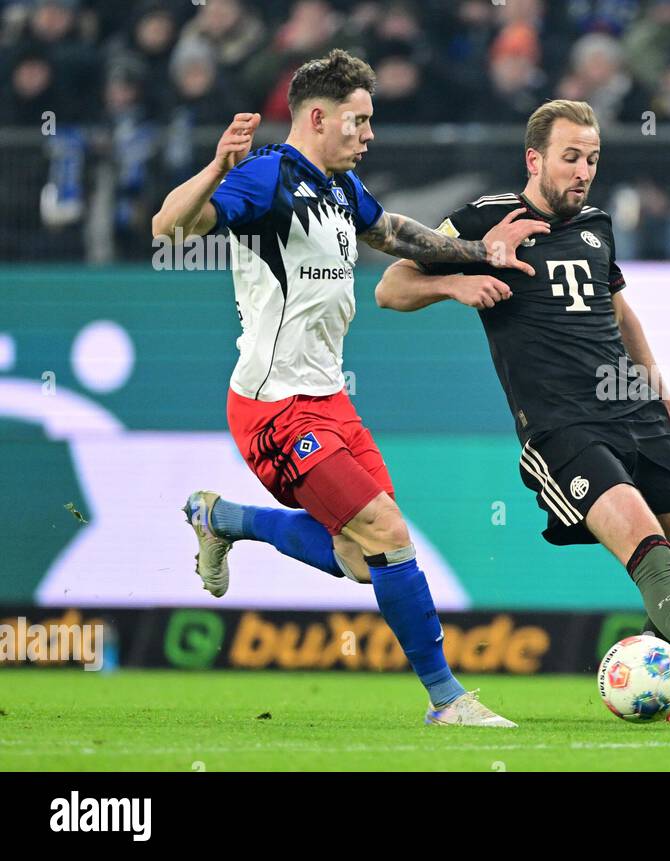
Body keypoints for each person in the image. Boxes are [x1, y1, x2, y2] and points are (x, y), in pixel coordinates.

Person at [150, 49, 546, 727]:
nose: (368, 135)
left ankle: (221, 518)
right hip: (273, 407)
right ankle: (448, 699)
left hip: (330, 399)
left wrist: (481, 251)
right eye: (358, 121)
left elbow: (392, 232)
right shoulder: (267, 178)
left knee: (363, 561)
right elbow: (169, 227)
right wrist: (217, 167)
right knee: (388, 534)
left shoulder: (338, 188)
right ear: (316, 117)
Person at [373, 99, 670, 728]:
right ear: (534, 158)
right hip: (563, 431)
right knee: (650, 554)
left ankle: (647, 660)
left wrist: (666, 398)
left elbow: (622, 317)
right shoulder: (486, 223)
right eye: (571, 157)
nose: (583, 171)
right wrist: (456, 281)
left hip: (637, 415)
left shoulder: (598, 224)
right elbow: (390, 287)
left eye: (592, 159)